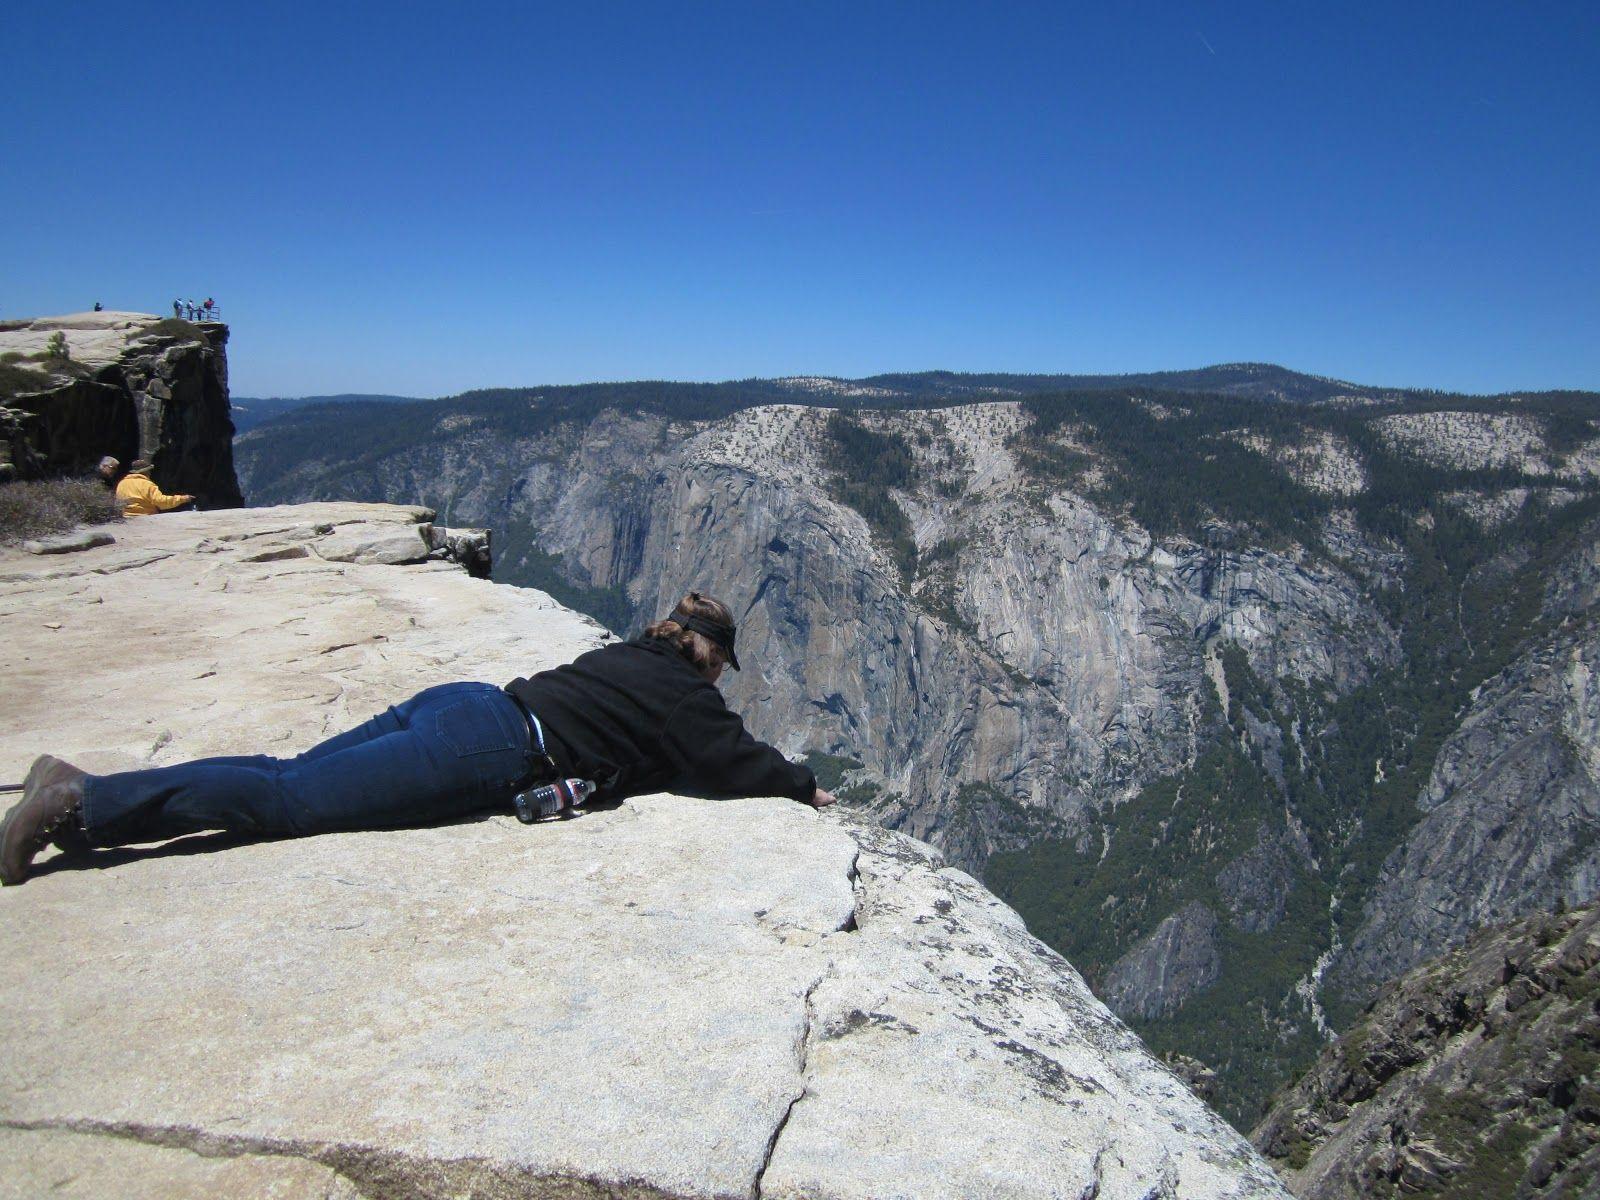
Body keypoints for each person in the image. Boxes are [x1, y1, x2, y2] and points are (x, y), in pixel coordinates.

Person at [0, 593, 838, 885]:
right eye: (723, 668)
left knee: (283, 772)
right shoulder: (682, 698)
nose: (722, 682)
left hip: (462, 700)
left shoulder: (626, 654)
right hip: (491, 747)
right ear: (707, 655)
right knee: (289, 802)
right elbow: (733, 761)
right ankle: (84, 800)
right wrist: (802, 784)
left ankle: (81, 789)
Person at [114, 459, 194, 516]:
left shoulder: (121, 483)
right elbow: (161, 502)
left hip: (125, 517)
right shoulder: (147, 484)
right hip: (144, 516)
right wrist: (183, 498)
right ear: (146, 472)